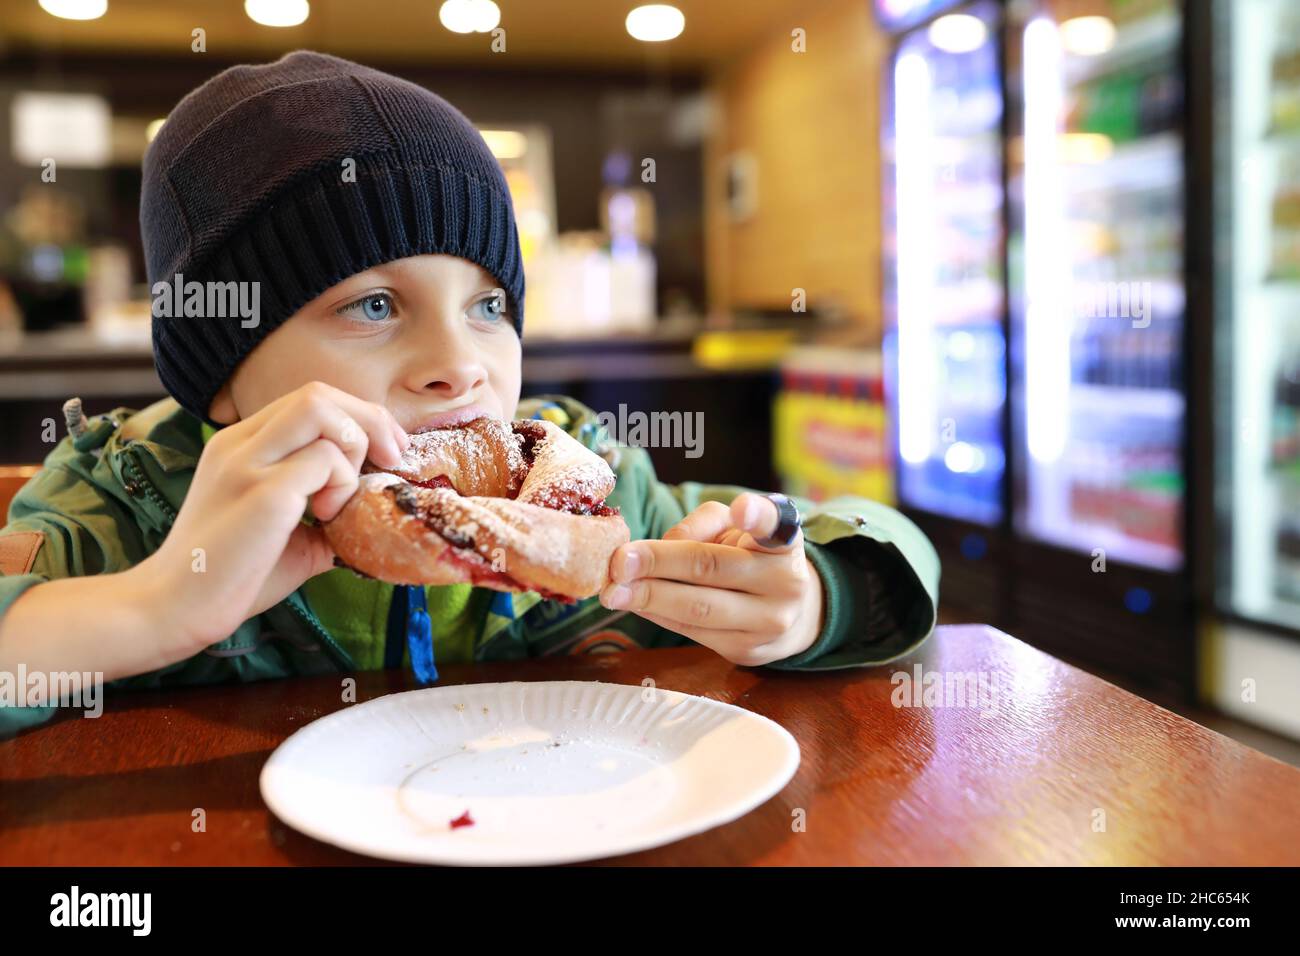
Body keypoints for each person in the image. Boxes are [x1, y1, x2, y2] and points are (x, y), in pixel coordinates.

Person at [0, 51, 938, 737]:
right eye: (372, 305)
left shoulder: (591, 483)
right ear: (224, 373)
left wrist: (812, 595)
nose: (460, 363)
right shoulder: (124, 507)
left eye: (488, 305)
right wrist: (151, 609)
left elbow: (895, 546)